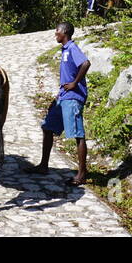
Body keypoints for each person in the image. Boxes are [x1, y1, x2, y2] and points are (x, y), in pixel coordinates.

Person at [28, 22, 90, 185]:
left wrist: (75, 83)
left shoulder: (72, 48)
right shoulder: (64, 50)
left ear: (65, 32)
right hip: (63, 97)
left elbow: (85, 63)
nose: (55, 33)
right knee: (47, 127)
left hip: (73, 97)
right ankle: (43, 165)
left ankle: (82, 174)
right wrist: (58, 97)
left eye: (57, 30)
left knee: (77, 134)